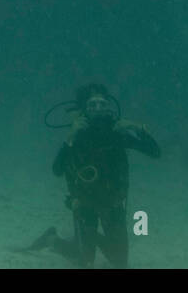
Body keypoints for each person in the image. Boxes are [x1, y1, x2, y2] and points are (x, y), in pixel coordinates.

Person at [29, 83, 160, 268]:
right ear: (84, 109)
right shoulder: (78, 135)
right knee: (84, 262)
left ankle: (87, 239)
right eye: (92, 105)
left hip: (113, 203)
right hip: (84, 204)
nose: (98, 109)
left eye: (102, 104)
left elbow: (155, 152)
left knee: (120, 262)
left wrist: (136, 128)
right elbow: (57, 170)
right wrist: (71, 136)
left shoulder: (117, 133)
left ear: (109, 106)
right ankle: (52, 239)